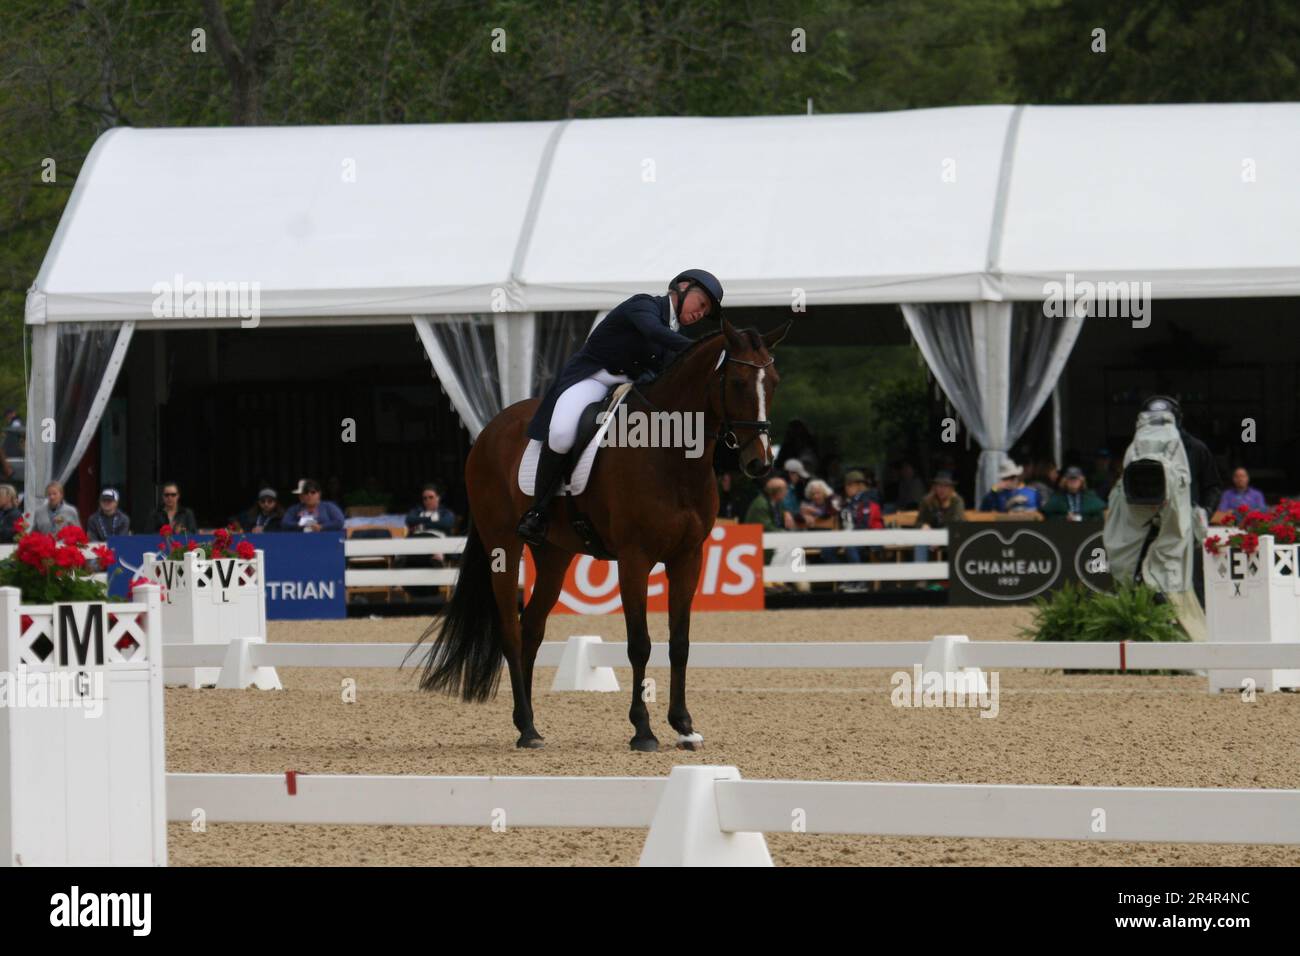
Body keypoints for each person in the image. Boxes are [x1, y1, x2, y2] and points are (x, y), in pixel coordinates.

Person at [517, 268, 723, 545]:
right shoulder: (644, 305)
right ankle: (538, 512)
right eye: (701, 304)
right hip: (593, 378)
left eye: (706, 311)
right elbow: (653, 332)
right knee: (562, 434)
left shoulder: (673, 333)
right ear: (683, 287)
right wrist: (705, 349)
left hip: (628, 387)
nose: (701, 313)